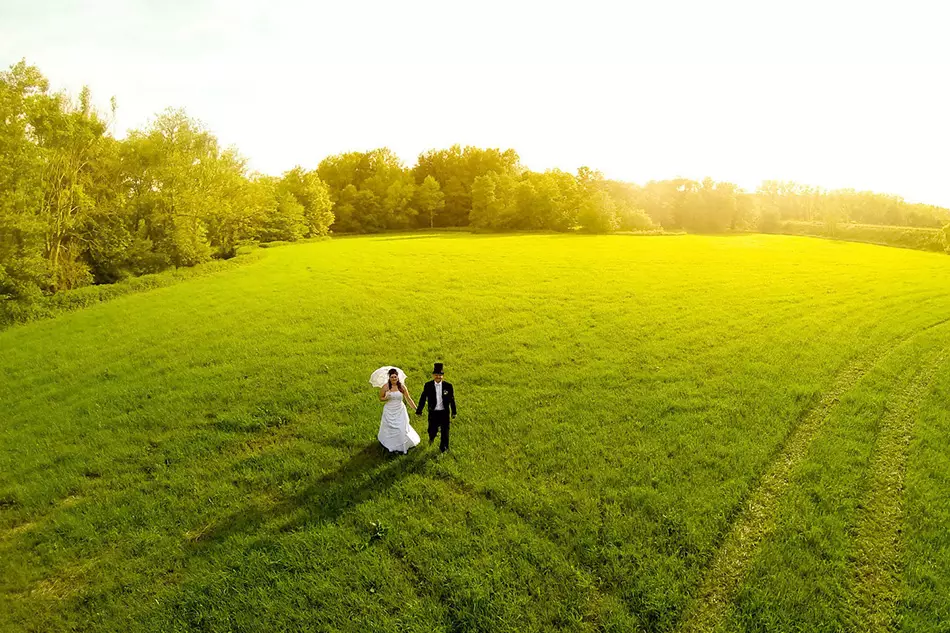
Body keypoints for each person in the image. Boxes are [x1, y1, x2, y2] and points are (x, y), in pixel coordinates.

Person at [415, 362, 457, 454]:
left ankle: (444, 448)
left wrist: (454, 412)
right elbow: (423, 398)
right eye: (436, 375)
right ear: (433, 375)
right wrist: (419, 410)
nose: (438, 377)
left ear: (443, 376)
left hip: (444, 412)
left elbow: (452, 399)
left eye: (440, 375)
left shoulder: (448, 386)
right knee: (432, 430)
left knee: (445, 431)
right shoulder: (428, 385)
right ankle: (432, 438)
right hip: (433, 412)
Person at [378, 368, 420, 454]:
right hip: (389, 410)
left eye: (395, 377)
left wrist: (416, 409)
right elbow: (380, 398)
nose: (394, 379)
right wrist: (385, 398)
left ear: (398, 377)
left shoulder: (402, 387)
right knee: (390, 428)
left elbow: (408, 399)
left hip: (400, 410)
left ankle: (402, 445)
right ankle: (391, 445)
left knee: (401, 428)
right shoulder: (385, 387)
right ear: (389, 378)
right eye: (392, 377)